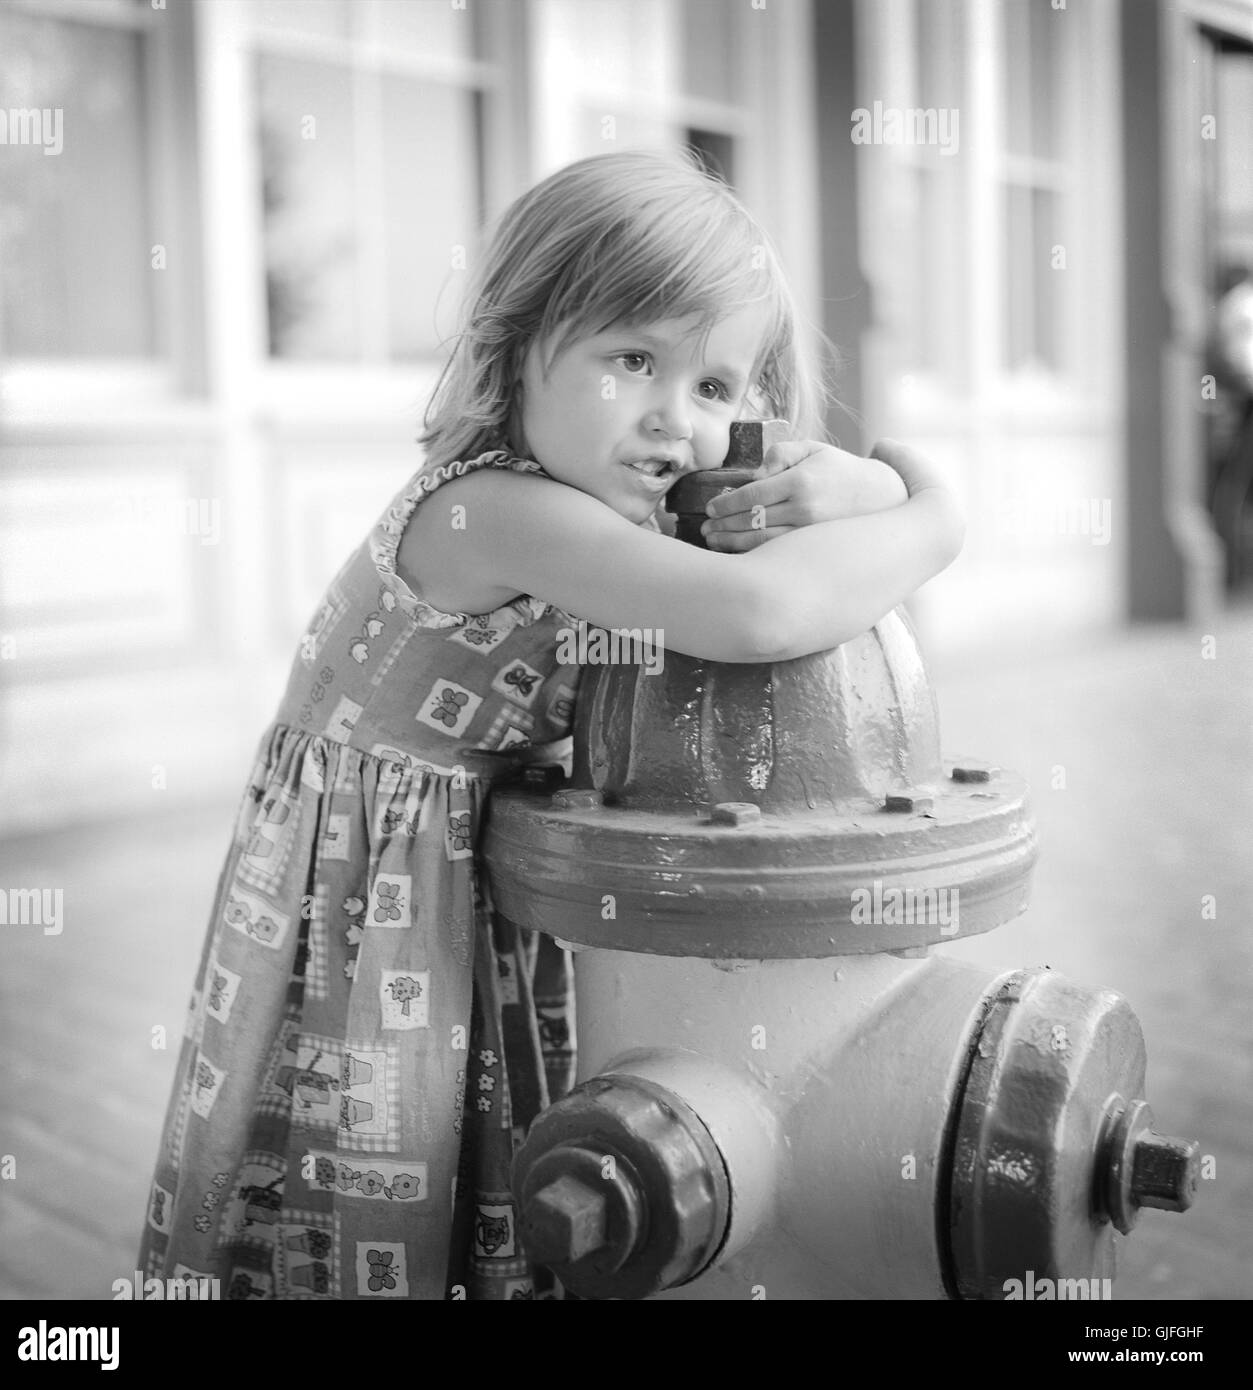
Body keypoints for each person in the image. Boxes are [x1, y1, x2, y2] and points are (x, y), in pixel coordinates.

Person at [137, 148, 964, 1301]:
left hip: (449, 875)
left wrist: (841, 486)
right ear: (515, 346)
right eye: (633, 359)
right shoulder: (493, 511)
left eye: (716, 387)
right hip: (372, 893)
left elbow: (767, 548)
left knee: (471, 1156)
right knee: (370, 1160)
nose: (675, 420)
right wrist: (928, 509)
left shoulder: (599, 513)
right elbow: (762, 609)